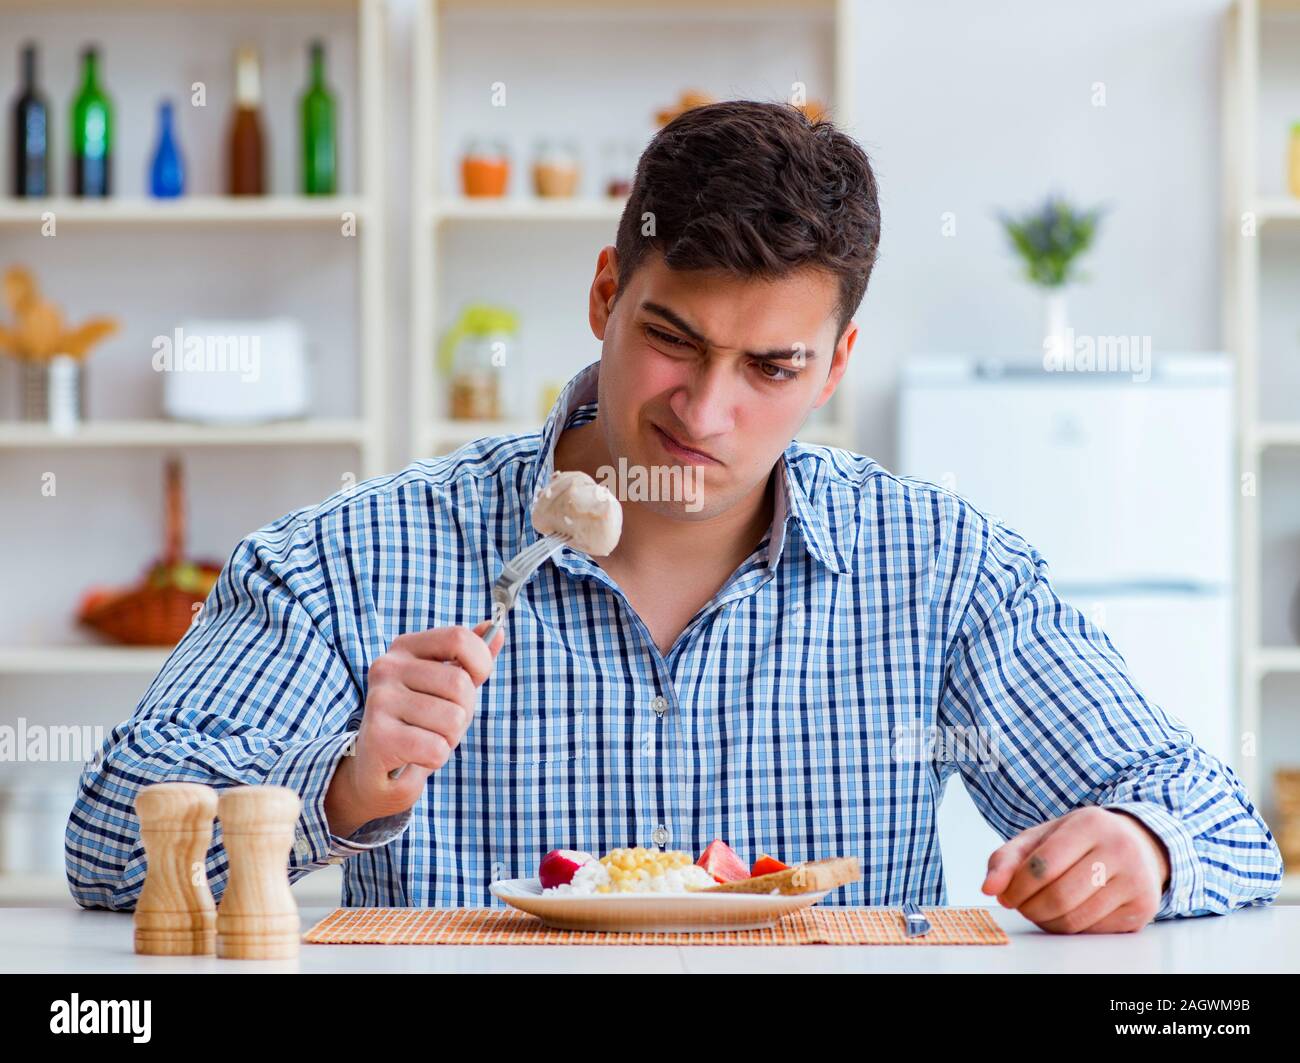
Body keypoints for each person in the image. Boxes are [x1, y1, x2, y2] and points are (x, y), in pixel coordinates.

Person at [68, 101, 1282, 932]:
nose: (704, 410)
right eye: (670, 339)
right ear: (606, 290)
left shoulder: (942, 568)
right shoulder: (351, 557)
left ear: (835, 364)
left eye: (771, 368)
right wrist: (336, 792)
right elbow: (111, 857)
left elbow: (1225, 821)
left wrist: (1140, 846)